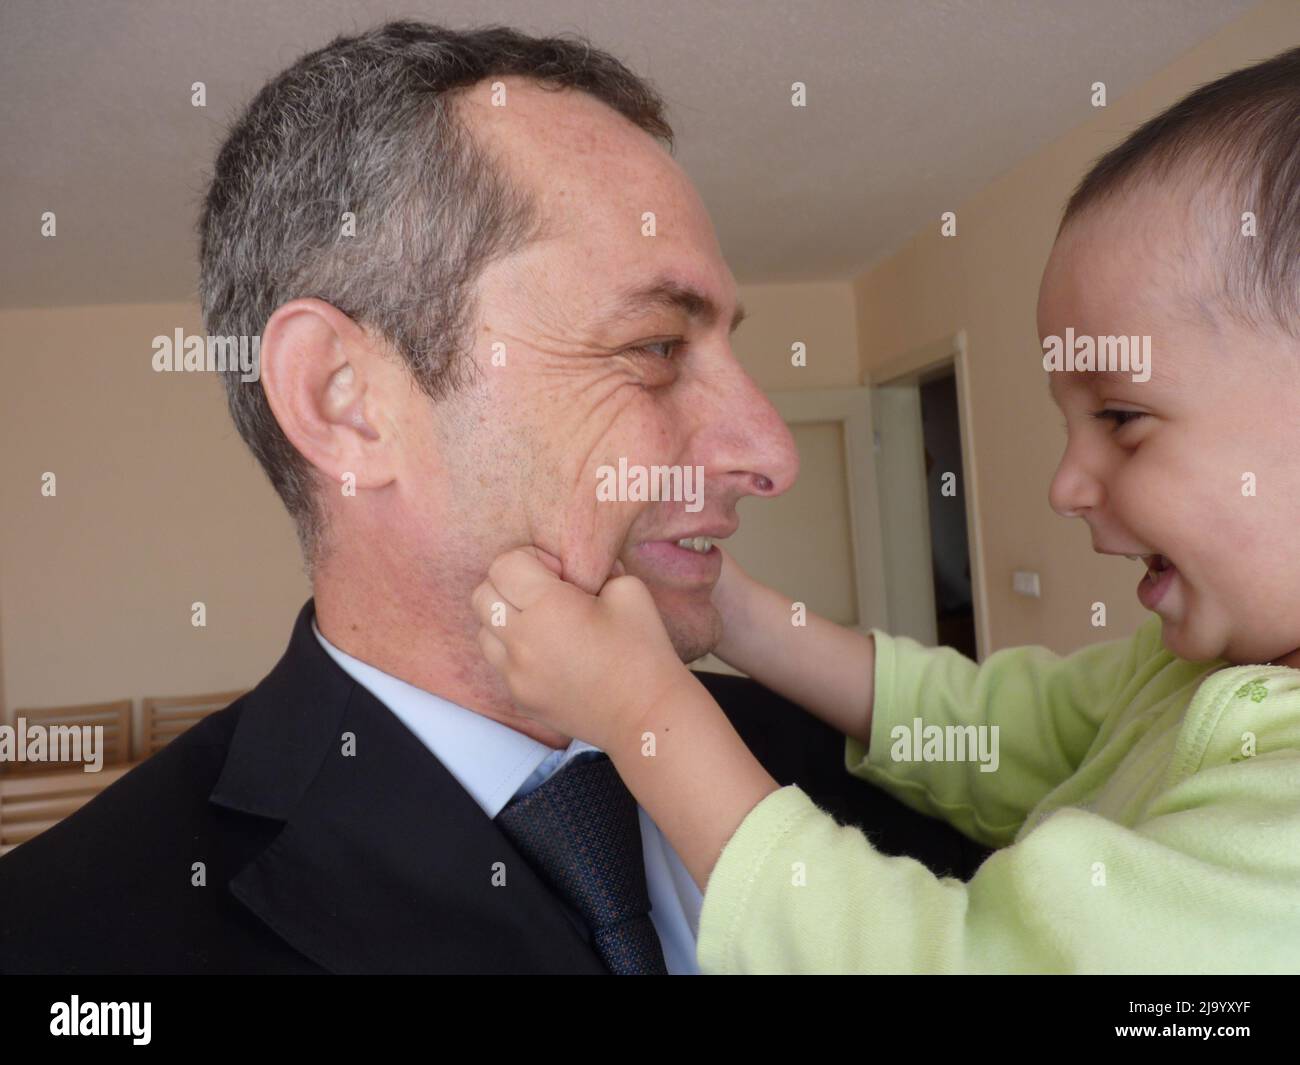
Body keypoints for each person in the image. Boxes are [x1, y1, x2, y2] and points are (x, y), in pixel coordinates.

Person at [0, 21, 988, 974]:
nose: (769, 451)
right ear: (347, 404)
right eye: (654, 348)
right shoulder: (65, 942)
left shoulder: (875, 770)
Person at [472, 47, 1300, 974]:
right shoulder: (1188, 668)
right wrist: (737, 614)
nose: (1067, 484)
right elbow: (990, 729)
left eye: (1121, 417)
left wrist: (644, 713)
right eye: (657, 346)